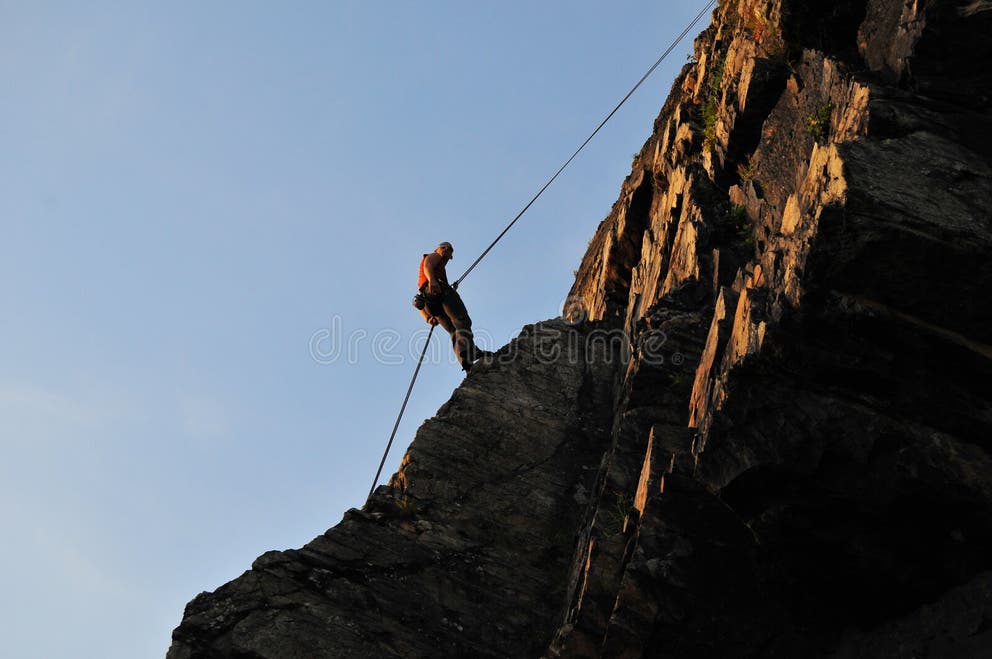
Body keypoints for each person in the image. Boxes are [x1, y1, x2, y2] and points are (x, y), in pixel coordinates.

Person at [417, 241, 484, 371]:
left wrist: (427, 318)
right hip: (439, 289)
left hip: (430, 303)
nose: (448, 258)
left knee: (453, 330)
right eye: (448, 253)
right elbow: (428, 265)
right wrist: (433, 281)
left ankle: (466, 363)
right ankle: (470, 351)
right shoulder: (435, 255)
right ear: (443, 249)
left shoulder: (430, 276)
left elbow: (419, 302)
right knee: (461, 319)